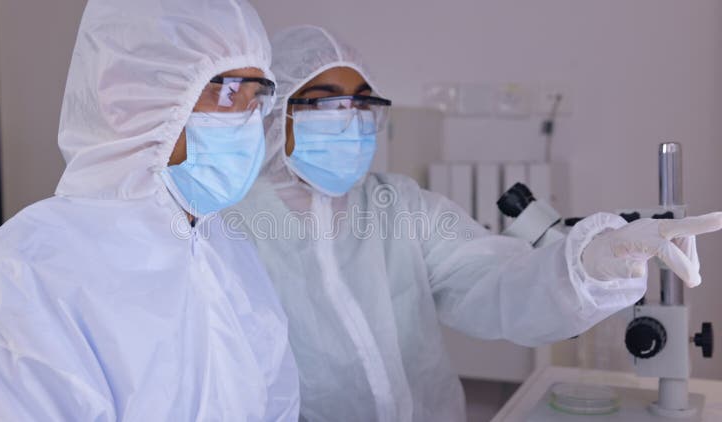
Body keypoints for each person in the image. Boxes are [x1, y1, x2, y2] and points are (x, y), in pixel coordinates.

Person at [227, 25, 722, 421]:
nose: (352, 118)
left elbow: (497, 284)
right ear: (275, 114)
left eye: (363, 102)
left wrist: (596, 262)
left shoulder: (399, 206)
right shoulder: (230, 230)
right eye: (329, 101)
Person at [0, 0, 299, 420]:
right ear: (128, 94)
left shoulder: (226, 255)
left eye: (256, 96)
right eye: (227, 91)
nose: (247, 120)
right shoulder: (23, 281)